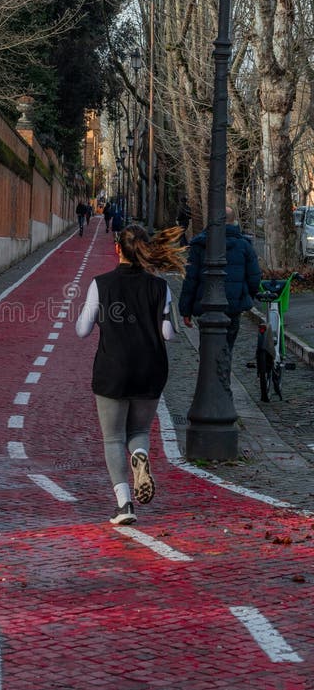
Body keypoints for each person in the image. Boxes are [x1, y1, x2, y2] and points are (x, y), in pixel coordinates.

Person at [76, 224, 186, 525]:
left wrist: (100, 315)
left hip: (113, 369)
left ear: (117, 250)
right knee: (138, 431)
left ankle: (124, 505)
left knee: (113, 438)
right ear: (145, 250)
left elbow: (82, 330)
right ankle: (140, 454)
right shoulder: (159, 286)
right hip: (151, 369)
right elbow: (169, 334)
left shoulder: (102, 284)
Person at [178, 205, 261, 355]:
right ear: (233, 221)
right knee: (227, 348)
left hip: (205, 306)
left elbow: (191, 279)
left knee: (207, 350)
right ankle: (224, 374)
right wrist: (246, 296)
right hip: (233, 306)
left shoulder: (200, 245)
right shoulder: (244, 245)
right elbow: (254, 277)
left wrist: (186, 310)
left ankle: (210, 373)